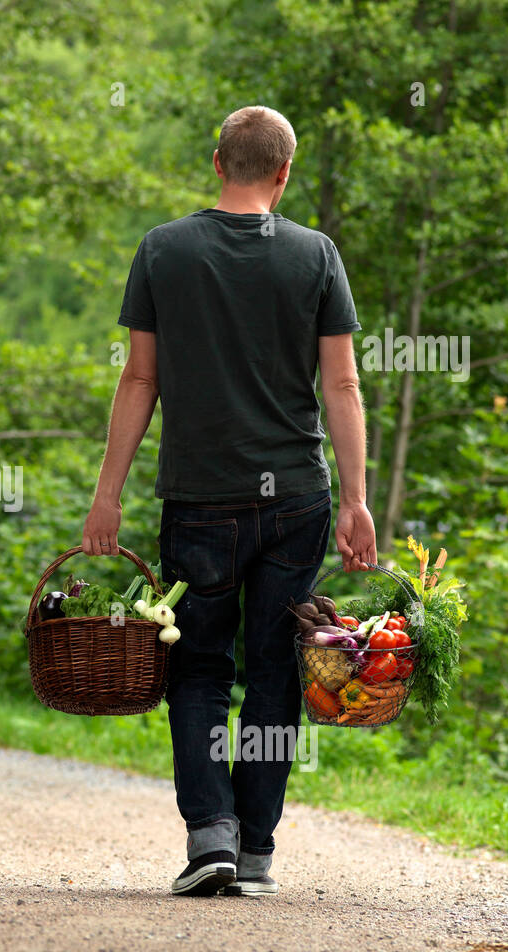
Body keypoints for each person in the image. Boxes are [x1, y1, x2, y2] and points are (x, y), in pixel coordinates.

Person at [81, 105, 376, 898]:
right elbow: (341, 383)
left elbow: (139, 379)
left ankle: (209, 833)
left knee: (201, 666)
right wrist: (356, 500)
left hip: (200, 497)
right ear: (285, 171)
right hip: (299, 501)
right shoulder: (316, 255)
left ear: (218, 162)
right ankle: (256, 848)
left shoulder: (165, 250)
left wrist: (106, 495)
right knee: (276, 666)